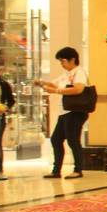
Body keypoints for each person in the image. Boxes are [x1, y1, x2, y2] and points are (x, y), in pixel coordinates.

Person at [35, 47, 89, 179]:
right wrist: (42, 83)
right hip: (64, 112)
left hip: (75, 112)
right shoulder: (67, 74)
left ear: (72, 60)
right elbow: (54, 84)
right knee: (56, 139)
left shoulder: (79, 72)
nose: (62, 64)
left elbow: (78, 89)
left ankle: (78, 169)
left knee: (73, 140)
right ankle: (56, 170)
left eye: (63, 61)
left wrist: (57, 91)